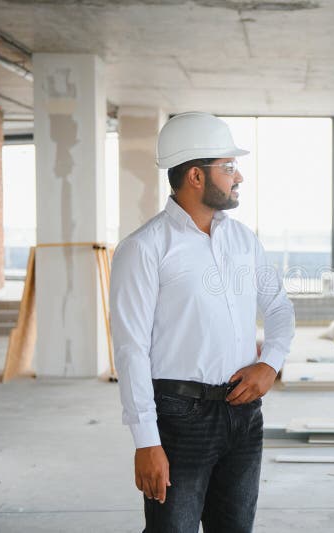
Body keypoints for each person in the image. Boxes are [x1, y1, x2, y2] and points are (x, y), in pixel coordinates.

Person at [110, 112, 295, 533]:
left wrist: (271, 363)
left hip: (243, 413)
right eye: (228, 167)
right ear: (196, 175)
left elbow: (280, 307)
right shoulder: (144, 249)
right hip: (179, 418)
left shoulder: (243, 240)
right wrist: (146, 441)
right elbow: (130, 349)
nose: (239, 177)